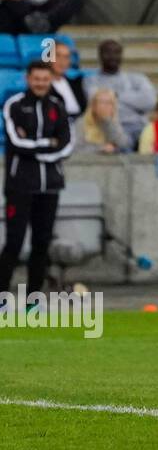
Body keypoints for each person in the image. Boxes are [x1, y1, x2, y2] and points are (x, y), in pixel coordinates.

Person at [0, 61, 73, 300]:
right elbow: (15, 142)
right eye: (36, 78)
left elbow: (67, 145)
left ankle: (34, 300)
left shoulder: (57, 106)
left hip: (50, 186)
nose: (40, 83)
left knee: (41, 244)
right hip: (20, 186)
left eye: (45, 79)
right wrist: (49, 144)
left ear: (50, 79)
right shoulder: (14, 106)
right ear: (28, 79)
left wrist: (37, 148)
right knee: (14, 243)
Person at [84, 40, 157, 147]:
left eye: (116, 52)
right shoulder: (91, 81)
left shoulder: (137, 79)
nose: (113, 56)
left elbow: (150, 101)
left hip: (138, 128)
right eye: (108, 52)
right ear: (100, 56)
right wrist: (134, 101)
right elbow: (99, 107)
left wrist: (115, 95)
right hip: (106, 128)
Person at [78, 88, 131, 154]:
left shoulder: (114, 123)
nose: (106, 106)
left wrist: (108, 122)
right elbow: (77, 150)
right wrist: (101, 148)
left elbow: (124, 144)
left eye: (110, 103)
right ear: (94, 105)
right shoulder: (81, 123)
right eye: (102, 102)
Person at [49, 42, 84, 119]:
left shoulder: (76, 83)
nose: (62, 61)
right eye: (57, 56)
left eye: (66, 57)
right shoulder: (43, 86)